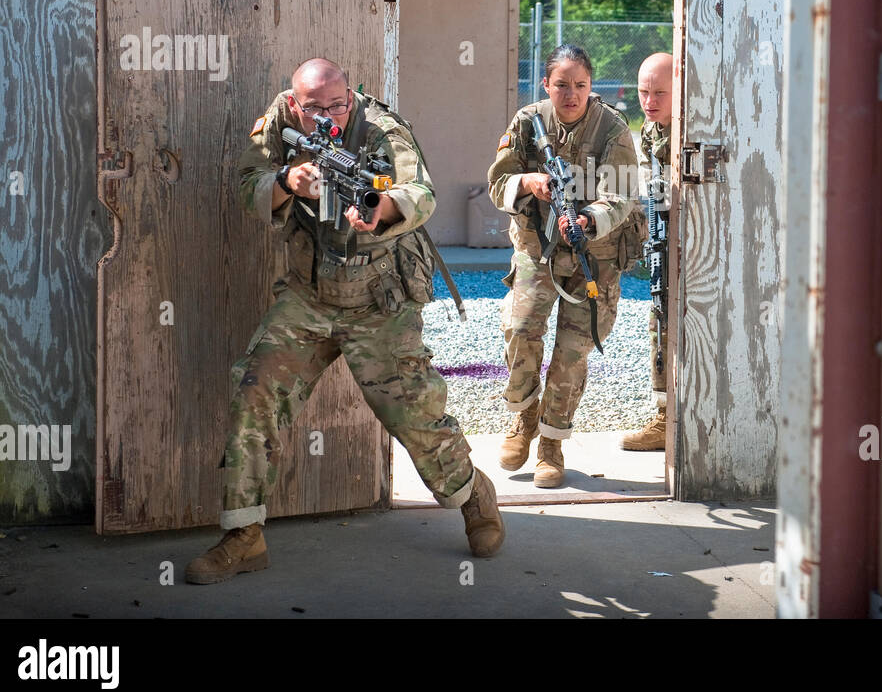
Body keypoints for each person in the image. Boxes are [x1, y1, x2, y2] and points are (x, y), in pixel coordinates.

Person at [186, 58, 504, 584]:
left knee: (415, 417)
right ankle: (243, 535)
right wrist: (288, 181)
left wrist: (383, 207)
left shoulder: (382, 127)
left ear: (351, 97)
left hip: (380, 298)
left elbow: (421, 191)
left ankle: (472, 493)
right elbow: (247, 184)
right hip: (310, 296)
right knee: (254, 391)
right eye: (314, 109)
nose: (328, 115)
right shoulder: (279, 124)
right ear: (294, 104)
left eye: (338, 105)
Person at [488, 44, 644, 487]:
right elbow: (497, 181)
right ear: (546, 86)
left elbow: (622, 195)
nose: (570, 94)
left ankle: (551, 444)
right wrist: (528, 181)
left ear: (591, 86)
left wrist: (588, 219)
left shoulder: (612, 128)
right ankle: (523, 419)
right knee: (520, 329)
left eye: (580, 85)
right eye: (561, 85)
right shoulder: (526, 122)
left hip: (595, 255)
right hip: (538, 248)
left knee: (573, 352)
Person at [623, 53, 673, 451]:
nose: (649, 101)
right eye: (643, 92)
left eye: (659, 93)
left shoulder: (690, 130)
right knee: (657, 322)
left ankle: (682, 416)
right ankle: (664, 416)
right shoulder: (652, 131)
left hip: (695, 249)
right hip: (662, 243)